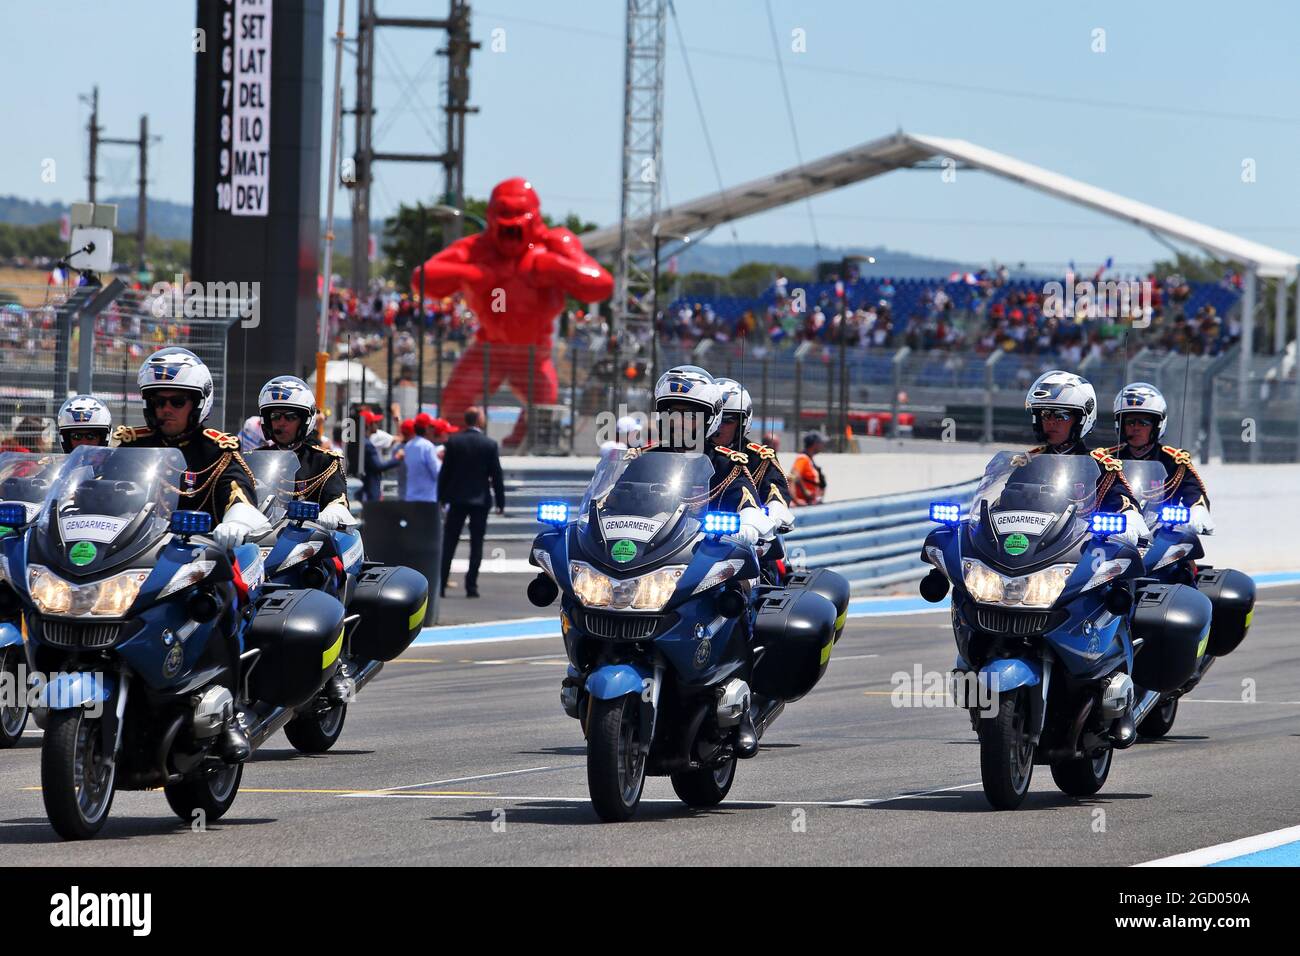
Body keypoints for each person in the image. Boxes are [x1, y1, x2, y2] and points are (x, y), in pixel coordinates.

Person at [114, 346, 266, 763]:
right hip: (136, 556)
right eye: (157, 401)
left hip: (198, 558)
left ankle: (232, 714)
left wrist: (236, 517)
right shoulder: (129, 448)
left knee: (222, 600)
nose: (165, 409)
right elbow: (90, 492)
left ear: (198, 403)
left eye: (176, 401)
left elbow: (240, 492)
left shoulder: (217, 450)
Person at [1021, 369, 1144, 544]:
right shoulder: (1029, 465)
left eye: (1061, 416)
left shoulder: (1100, 467)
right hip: (1030, 550)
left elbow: (1125, 504)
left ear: (1081, 420)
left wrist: (1129, 520)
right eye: (1046, 415)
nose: (1051, 422)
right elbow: (1004, 503)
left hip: (1080, 553)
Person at [1105, 381, 1212, 533]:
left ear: (1157, 425)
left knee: (1187, 552)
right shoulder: (1107, 460)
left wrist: (1198, 512)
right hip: (1117, 532)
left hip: (1164, 533)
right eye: (1130, 422)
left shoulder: (1175, 461)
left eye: (1143, 423)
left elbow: (1194, 493)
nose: (1135, 428)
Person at [254, 375, 354, 529]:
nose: (281, 422)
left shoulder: (324, 461)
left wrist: (331, 514)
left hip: (310, 541)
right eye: (275, 416)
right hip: (259, 539)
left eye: (290, 417)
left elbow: (338, 500)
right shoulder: (253, 459)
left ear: (305, 420)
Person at [437, 406, 505, 599]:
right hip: (479, 500)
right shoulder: (489, 444)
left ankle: (441, 584)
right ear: (478, 421)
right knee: (477, 543)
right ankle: (471, 586)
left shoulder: (454, 442)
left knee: (450, 542)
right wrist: (500, 501)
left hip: (457, 498)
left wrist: (440, 497)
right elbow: (496, 475)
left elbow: (445, 473)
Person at [358, 409, 402, 502]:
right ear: (368, 425)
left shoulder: (358, 441)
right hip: (370, 489)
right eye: (374, 422)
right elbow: (378, 466)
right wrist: (397, 458)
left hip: (363, 487)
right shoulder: (368, 444)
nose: (377, 424)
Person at [402, 413, 440, 503]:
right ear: (426, 428)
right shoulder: (428, 446)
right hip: (427, 499)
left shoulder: (408, 445)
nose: (434, 430)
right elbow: (437, 472)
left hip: (410, 497)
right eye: (432, 427)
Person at [790, 431, 827, 506]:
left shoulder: (810, 460)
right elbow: (793, 477)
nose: (823, 445)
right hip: (803, 505)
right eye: (821, 443)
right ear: (815, 444)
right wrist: (797, 500)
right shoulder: (803, 459)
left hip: (810, 503)